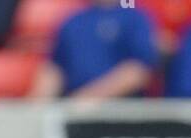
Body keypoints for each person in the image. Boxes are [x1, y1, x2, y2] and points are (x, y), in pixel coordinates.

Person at [30, 0, 159, 101]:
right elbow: (55, 69)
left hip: (121, 113)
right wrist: (34, 109)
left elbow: (138, 70)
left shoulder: (134, 17)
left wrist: (90, 98)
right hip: (73, 112)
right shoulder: (73, 20)